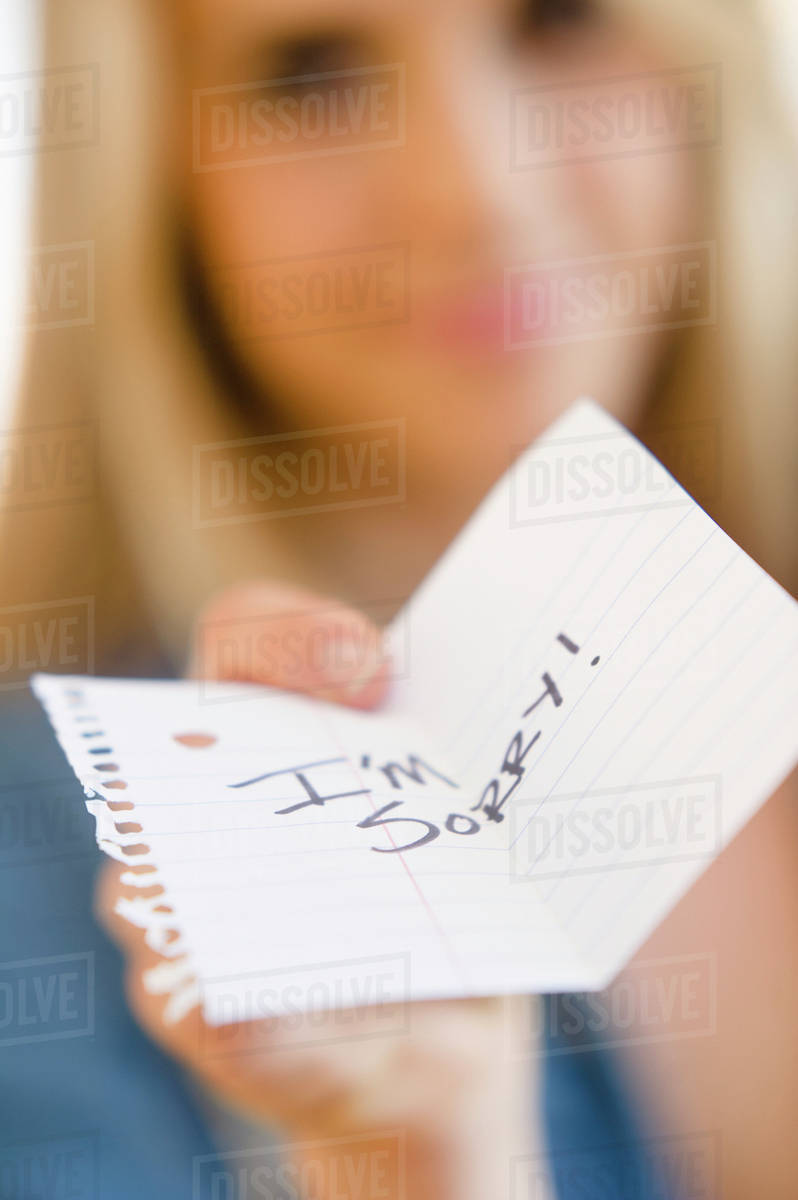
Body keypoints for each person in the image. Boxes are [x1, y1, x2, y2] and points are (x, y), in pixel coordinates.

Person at [2, 0, 798, 1195]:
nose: (474, 189)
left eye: (560, 17)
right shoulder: (39, 895)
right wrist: (425, 1156)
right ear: (154, 172)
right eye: (311, 72)